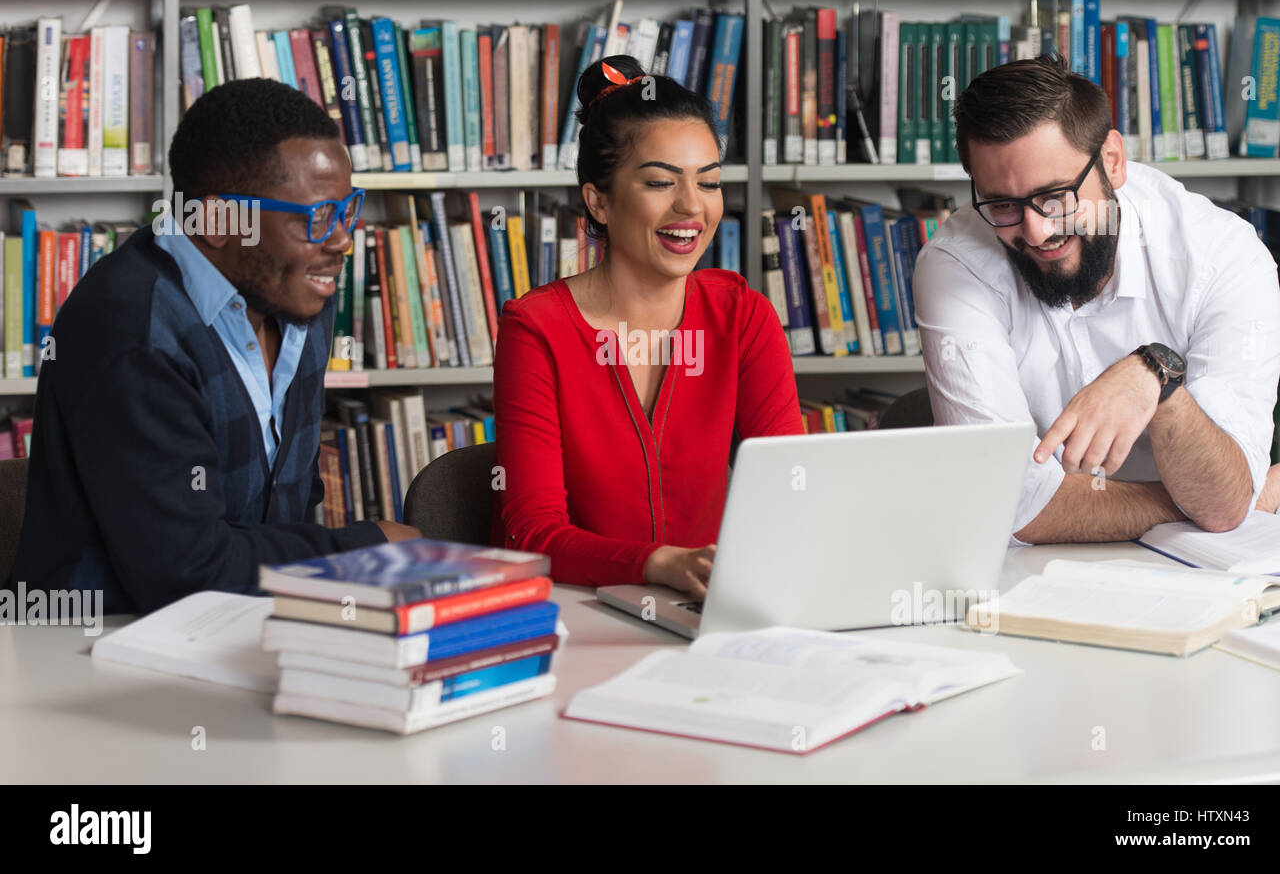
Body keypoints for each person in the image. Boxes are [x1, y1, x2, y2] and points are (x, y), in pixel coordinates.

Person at [7, 78, 420, 614]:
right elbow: (183, 571)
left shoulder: (298, 297)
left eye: (347, 210)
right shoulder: (131, 326)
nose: (342, 240)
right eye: (316, 219)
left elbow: (293, 503)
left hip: (244, 625)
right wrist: (365, 548)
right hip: (91, 644)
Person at [913, 53, 1280, 545]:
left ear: (1112, 162)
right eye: (1003, 204)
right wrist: (1249, 501)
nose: (1036, 230)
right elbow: (1008, 504)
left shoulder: (1224, 257)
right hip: (1027, 579)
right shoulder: (955, 264)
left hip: (1197, 579)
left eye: (1054, 195)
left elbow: (1222, 500)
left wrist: (1157, 384)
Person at [491, 56, 803, 598]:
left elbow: (792, 487)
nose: (692, 207)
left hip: (709, 608)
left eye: (708, 183)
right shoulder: (536, 329)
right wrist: (658, 563)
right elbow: (533, 534)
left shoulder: (742, 315)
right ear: (599, 202)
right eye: (661, 182)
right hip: (579, 613)